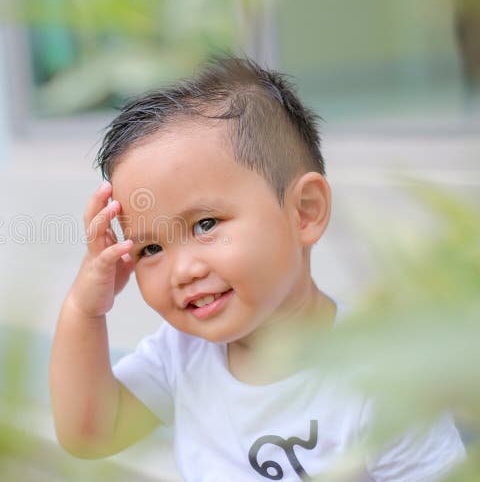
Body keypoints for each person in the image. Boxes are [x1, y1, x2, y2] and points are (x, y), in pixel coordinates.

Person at [49, 57, 465, 480]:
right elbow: (89, 434)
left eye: (205, 224)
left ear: (304, 212)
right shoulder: (180, 357)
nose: (182, 271)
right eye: (150, 248)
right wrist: (84, 311)